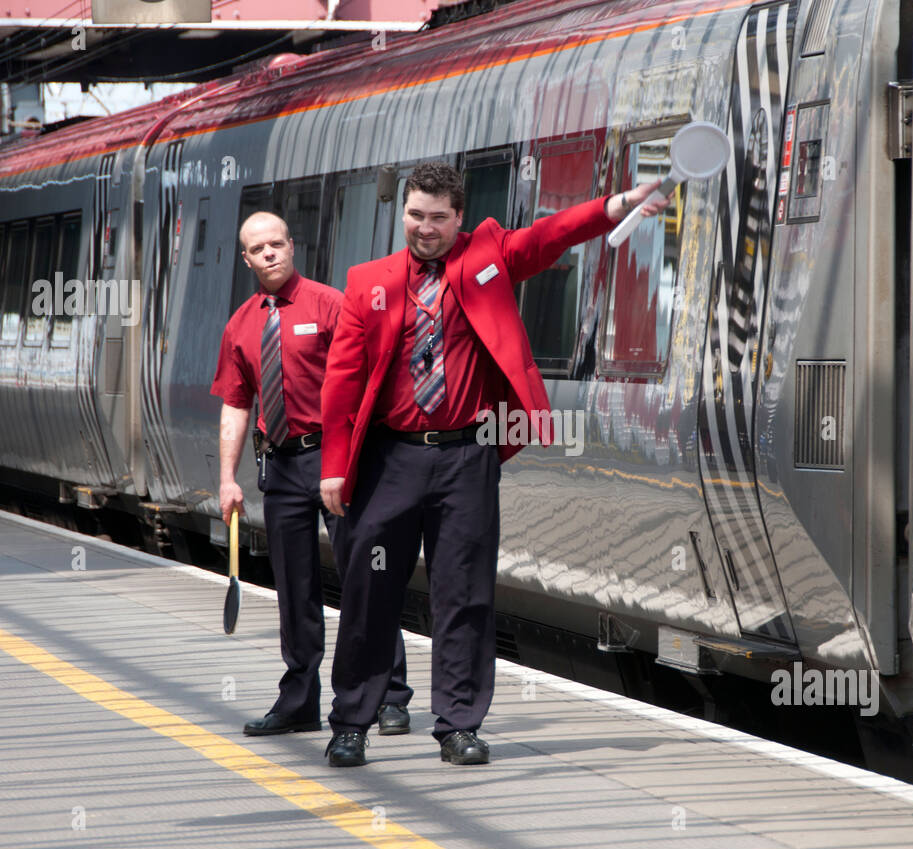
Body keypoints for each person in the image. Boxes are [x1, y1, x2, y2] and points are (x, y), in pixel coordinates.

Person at [319, 163, 667, 766]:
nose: (424, 229)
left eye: (437, 219)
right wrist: (332, 465)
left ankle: (458, 724)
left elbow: (552, 234)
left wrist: (619, 204)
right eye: (414, 216)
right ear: (403, 213)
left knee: (465, 594)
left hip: (467, 456)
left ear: (459, 217)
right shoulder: (366, 282)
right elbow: (342, 379)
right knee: (369, 590)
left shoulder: (489, 257)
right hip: (389, 459)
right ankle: (352, 720)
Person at [211, 211, 412, 739]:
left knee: (365, 579)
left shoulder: (329, 304)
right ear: (246, 259)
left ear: (292, 245)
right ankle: (299, 699)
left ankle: (389, 695)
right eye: (259, 249)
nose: (270, 254)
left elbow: (367, 380)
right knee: (294, 590)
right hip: (279, 463)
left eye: (277, 243)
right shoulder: (241, 324)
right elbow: (235, 405)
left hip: (338, 458)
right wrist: (227, 479)